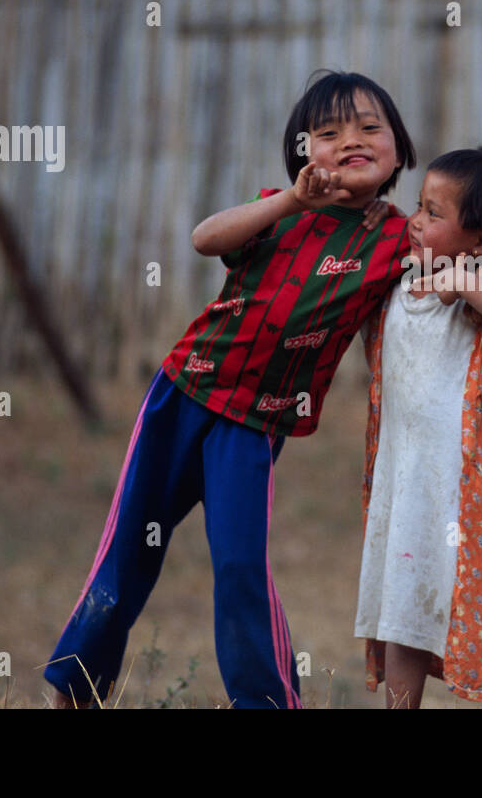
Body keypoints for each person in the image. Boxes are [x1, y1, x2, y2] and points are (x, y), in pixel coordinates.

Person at [44, 70, 415, 709]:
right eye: (328, 133)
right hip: (182, 396)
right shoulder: (279, 212)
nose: (351, 140)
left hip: (255, 423)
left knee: (242, 568)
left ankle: (266, 703)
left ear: (399, 148)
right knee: (128, 547)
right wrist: (292, 202)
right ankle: (78, 688)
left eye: (370, 128)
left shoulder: (397, 239)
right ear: (304, 156)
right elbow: (204, 238)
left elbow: (448, 261)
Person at [354, 132, 482, 708]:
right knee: (404, 613)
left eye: (432, 212)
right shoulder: (399, 286)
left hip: (473, 507)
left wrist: (464, 280)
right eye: (418, 205)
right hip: (408, 495)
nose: (415, 221)